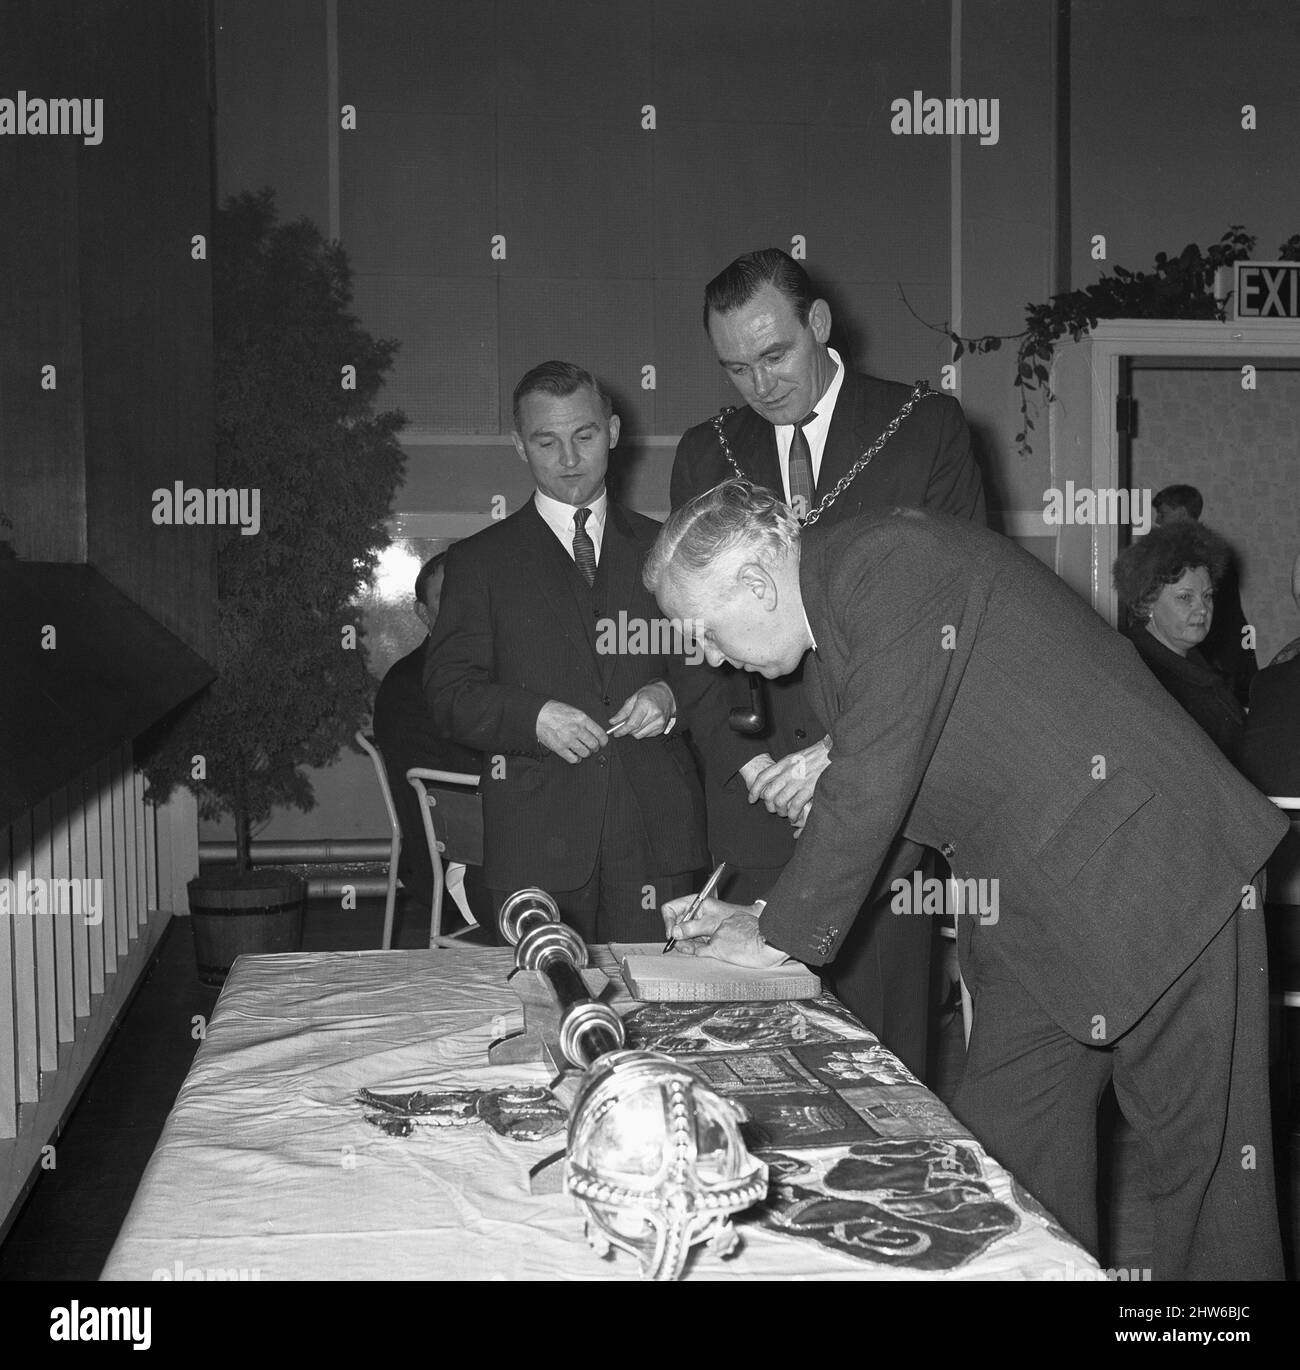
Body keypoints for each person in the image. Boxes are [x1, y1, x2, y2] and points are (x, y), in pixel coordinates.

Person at [644, 479, 1286, 1280]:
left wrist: (778, 938)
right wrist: (769, 919)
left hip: (1156, 872)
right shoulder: (839, 630)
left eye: (698, 632)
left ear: (754, 583)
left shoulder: (884, 561)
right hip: (1038, 907)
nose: (701, 657)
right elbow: (899, 811)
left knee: (1207, 1175)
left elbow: (872, 783)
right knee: (1010, 1155)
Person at [670, 247, 986, 1077]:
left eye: (776, 356)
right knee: (753, 1062)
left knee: (880, 1058)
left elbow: (953, 619)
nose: (760, 384)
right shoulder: (706, 452)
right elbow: (696, 646)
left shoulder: (923, 426)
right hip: (756, 792)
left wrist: (844, 755)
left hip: (883, 797)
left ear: (818, 324)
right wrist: (751, 765)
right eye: (736, 368)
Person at [426, 361, 733, 945]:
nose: (569, 458)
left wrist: (670, 696)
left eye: (584, 436)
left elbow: (716, 670)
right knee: (547, 1016)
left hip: (658, 838)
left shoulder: (668, 550)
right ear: (520, 446)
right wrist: (533, 717)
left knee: (664, 1016)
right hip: (535, 848)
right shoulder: (478, 563)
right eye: (547, 441)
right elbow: (448, 696)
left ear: (613, 433)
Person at [372, 551, 488, 930]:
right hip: (457, 861)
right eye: (447, 599)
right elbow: (459, 783)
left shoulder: (481, 672)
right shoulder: (411, 687)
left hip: (487, 839)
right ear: (423, 614)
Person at [1113, 520, 1244, 760]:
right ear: (1147, 603)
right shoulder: (1141, 674)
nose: (1202, 608)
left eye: (1207, 596)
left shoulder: (1199, 669)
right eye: (1185, 597)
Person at [1152, 484, 1256, 704]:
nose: (1158, 522)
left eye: (1162, 514)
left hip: (1216, 660)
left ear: (1181, 512)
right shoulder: (1207, 551)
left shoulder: (1197, 556)